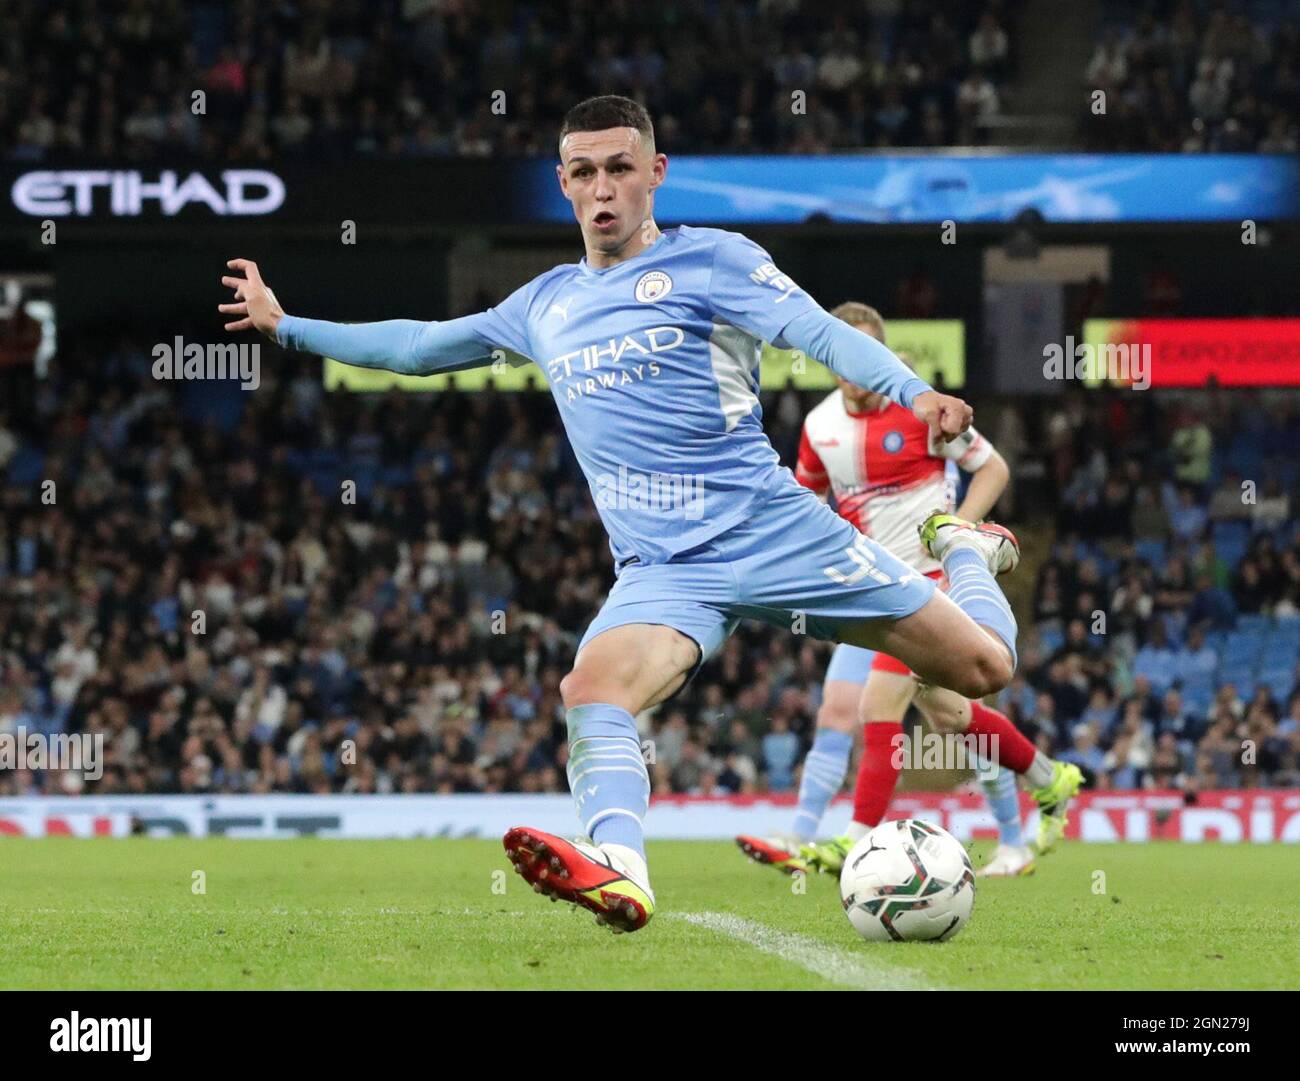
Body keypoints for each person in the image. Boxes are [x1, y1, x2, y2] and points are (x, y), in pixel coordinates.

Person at [221, 95, 1028, 934]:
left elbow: (818, 333)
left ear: (655, 174)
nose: (602, 188)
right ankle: (621, 868)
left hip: (776, 532)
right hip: (665, 570)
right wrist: (288, 329)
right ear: (563, 184)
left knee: (981, 670)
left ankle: (966, 548)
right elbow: (421, 349)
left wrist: (915, 390)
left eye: (619, 168)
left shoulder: (716, 260)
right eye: (584, 172)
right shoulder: (543, 305)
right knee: (593, 685)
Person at [736, 304, 1079, 883]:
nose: (854, 370)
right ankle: (1050, 780)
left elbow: (992, 470)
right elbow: (807, 505)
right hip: (866, 588)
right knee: (948, 715)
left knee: (878, 707)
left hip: (932, 582)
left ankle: (856, 839)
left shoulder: (923, 411)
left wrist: (959, 540)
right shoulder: (819, 428)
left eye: (865, 355)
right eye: (842, 356)